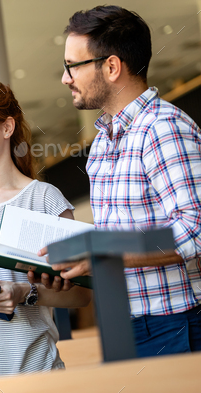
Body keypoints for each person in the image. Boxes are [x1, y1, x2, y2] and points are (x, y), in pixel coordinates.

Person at [43, 5, 201, 357]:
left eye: (73, 66)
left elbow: (195, 230)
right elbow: (117, 241)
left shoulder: (163, 129)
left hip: (175, 322)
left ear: (111, 67)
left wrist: (103, 255)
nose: (66, 78)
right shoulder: (102, 142)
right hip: (121, 321)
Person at [0, 77, 92, 383]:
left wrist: (25, 293)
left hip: (33, 370)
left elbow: (80, 295)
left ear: (7, 128)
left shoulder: (44, 199)